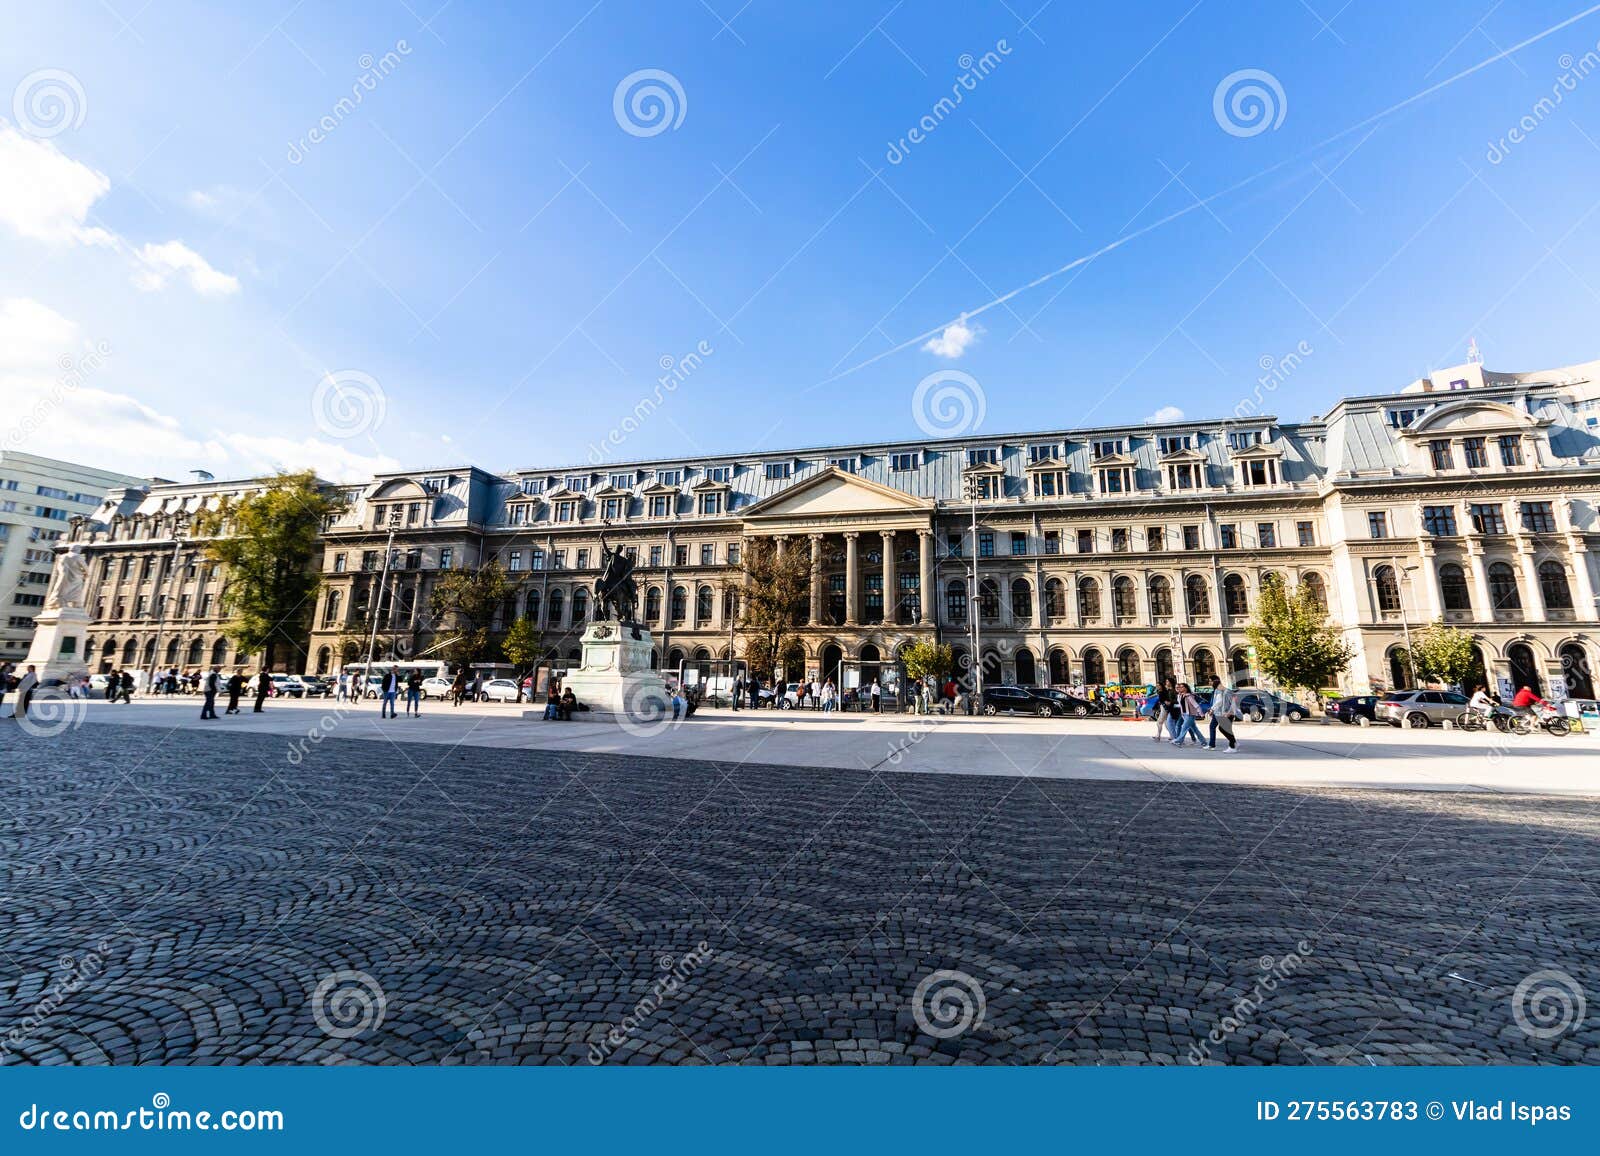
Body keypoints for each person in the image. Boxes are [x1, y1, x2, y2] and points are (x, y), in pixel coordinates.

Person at [1206, 677, 1238, 752]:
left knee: (1224, 729)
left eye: (1217, 687)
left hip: (1229, 714)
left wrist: (1229, 712)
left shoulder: (1227, 692)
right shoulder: (1223, 692)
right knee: (1224, 729)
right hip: (1225, 713)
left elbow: (1233, 703)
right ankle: (1233, 745)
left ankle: (1233, 746)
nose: (1217, 690)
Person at [1172, 682, 1205, 747]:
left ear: (1186, 688)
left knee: (1184, 727)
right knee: (1195, 729)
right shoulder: (1179, 696)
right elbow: (1181, 705)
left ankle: (1178, 741)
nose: (1180, 688)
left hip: (1190, 715)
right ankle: (1203, 742)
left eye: (1182, 687)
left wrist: (1201, 714)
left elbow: (1196, 705)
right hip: (1184, 714)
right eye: (1180, 687)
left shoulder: (1189, 696)